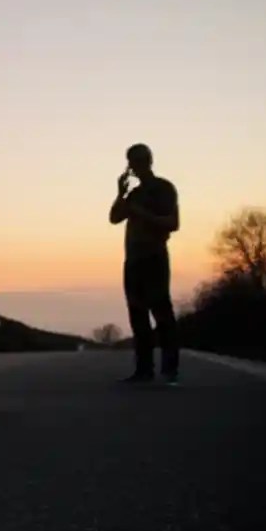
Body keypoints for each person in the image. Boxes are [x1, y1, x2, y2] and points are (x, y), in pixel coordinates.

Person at [108, 143, 180, 384]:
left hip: (154, 256)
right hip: (133, 259)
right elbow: (114, 218)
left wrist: (141, 214)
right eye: (131, 161)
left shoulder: (164, 188)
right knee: (137, 315)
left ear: (148, 160)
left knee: (161, 312)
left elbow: (172, 222)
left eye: (138, 160)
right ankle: (143, 370)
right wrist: (120, 194)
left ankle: (170, 370)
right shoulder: (134, 194)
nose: (135, 166)